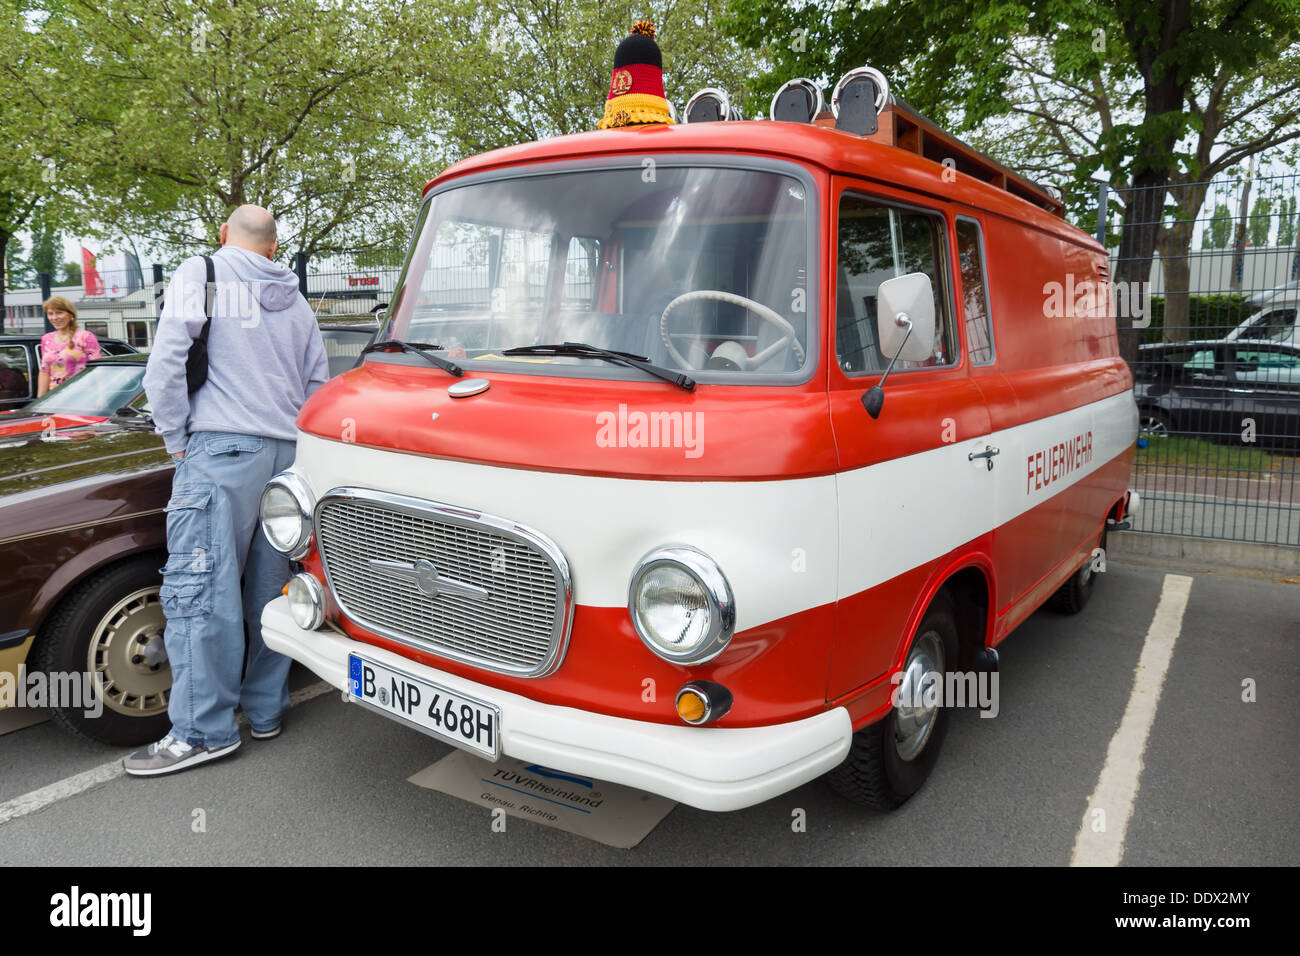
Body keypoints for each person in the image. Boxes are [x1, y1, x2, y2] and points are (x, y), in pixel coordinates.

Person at [126, 205, 328, 776]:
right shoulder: (296, 300)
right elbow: (317, 387)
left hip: (221, 451)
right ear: (273, 246)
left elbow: (164, 366)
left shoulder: (203, 273)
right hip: (287, 457)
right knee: (272, 589)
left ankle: (202, 732)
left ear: (223, 235)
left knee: (200, 591)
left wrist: (176, 443)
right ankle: (264, 710)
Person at [38, 296, 101, 395]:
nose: (54, 318)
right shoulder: (46, 339)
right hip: (55, 398)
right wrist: (39, 403)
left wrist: (101, 399)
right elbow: (44, 372)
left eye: (59, 312)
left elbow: (97, 370)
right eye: (50, 314)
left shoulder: (85, 337)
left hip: (82, 396)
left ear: (71, 315)